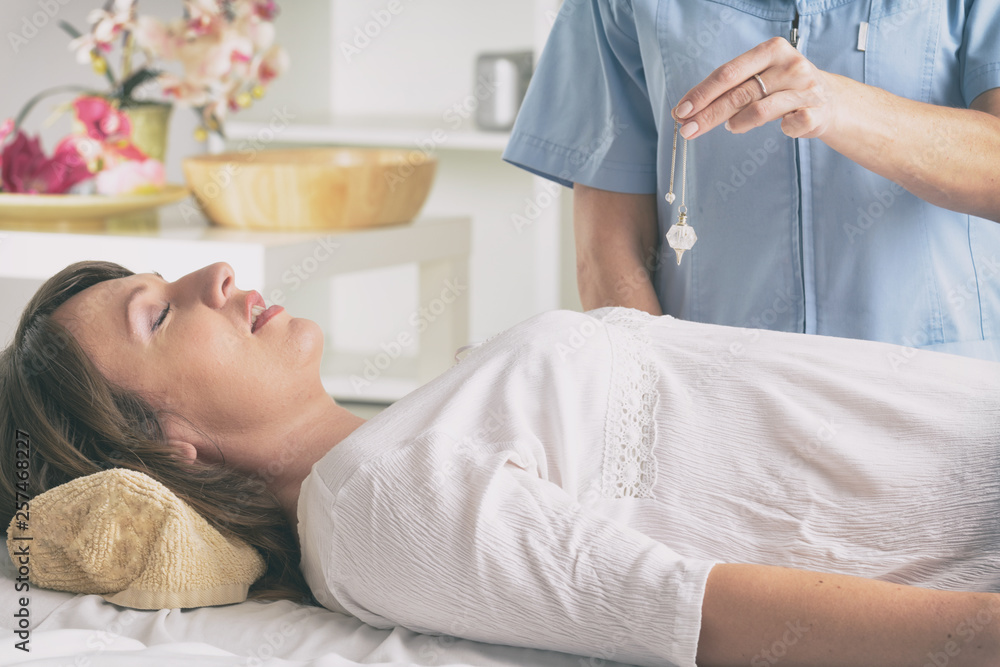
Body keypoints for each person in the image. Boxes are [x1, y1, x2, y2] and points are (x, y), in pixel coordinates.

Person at [1, 260, 999, 667]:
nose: (213, 274)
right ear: (162, 442)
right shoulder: (370, 508)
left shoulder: (397, 443)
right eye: (162, 313)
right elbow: (700, 611)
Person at [502, 0, 1000, 363]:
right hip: (717, 399)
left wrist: (836, 103)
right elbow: (607, 248)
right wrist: (656, 397)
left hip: (936, 391)